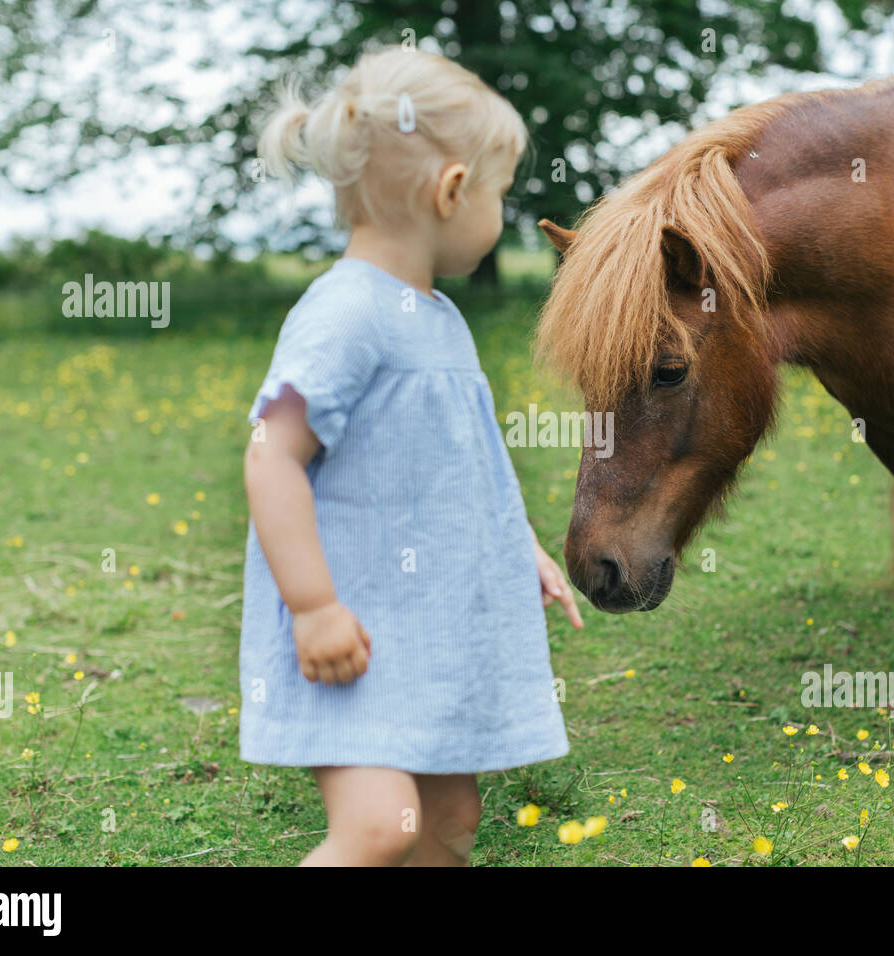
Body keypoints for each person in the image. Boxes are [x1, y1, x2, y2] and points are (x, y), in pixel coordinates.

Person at [241, 46, 581, 866]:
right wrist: (315, 608)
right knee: (375, 827)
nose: (500, 210)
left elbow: (460, 465)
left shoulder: (436, 318)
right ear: (453, 189)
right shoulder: (346, 313)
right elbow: (270, 455)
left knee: (448, 823)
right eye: (500, 192)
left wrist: (519, 547)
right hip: (358, 633)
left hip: (429, 632)